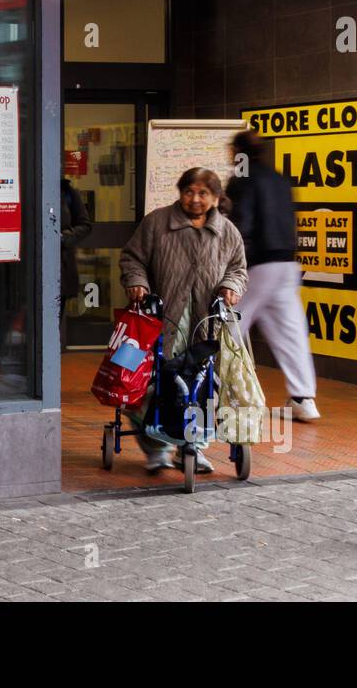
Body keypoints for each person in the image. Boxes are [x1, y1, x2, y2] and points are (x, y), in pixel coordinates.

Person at [119, 167, 248, 474]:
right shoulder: (156, 222)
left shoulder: (227, 231)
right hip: (161, 319)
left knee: (203, 386)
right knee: (151, 384)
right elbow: (132, 258)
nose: (195, 199)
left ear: (216, 197)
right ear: (180, 192)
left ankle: (193, 446)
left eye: (203, 193)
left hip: (205, 323)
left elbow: (238, 269)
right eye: (189, 191)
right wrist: (137, 282)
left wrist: (231, 286)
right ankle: (156, 445)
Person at [225, 129, 321, 422]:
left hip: (257, 264)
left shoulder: (242, 180)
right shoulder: (279, 179)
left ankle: (215, 391)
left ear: (238, 152)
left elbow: (242, 224)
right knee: (291, 332)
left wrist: (231, 262)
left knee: (227, 325)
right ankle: (304, 398)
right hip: (286, 264)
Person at [60, 175, 92, 320]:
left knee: (55, 317)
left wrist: (63, 238)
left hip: (61, 266)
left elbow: (85, 225)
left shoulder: (68, 192)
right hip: (26, 270)